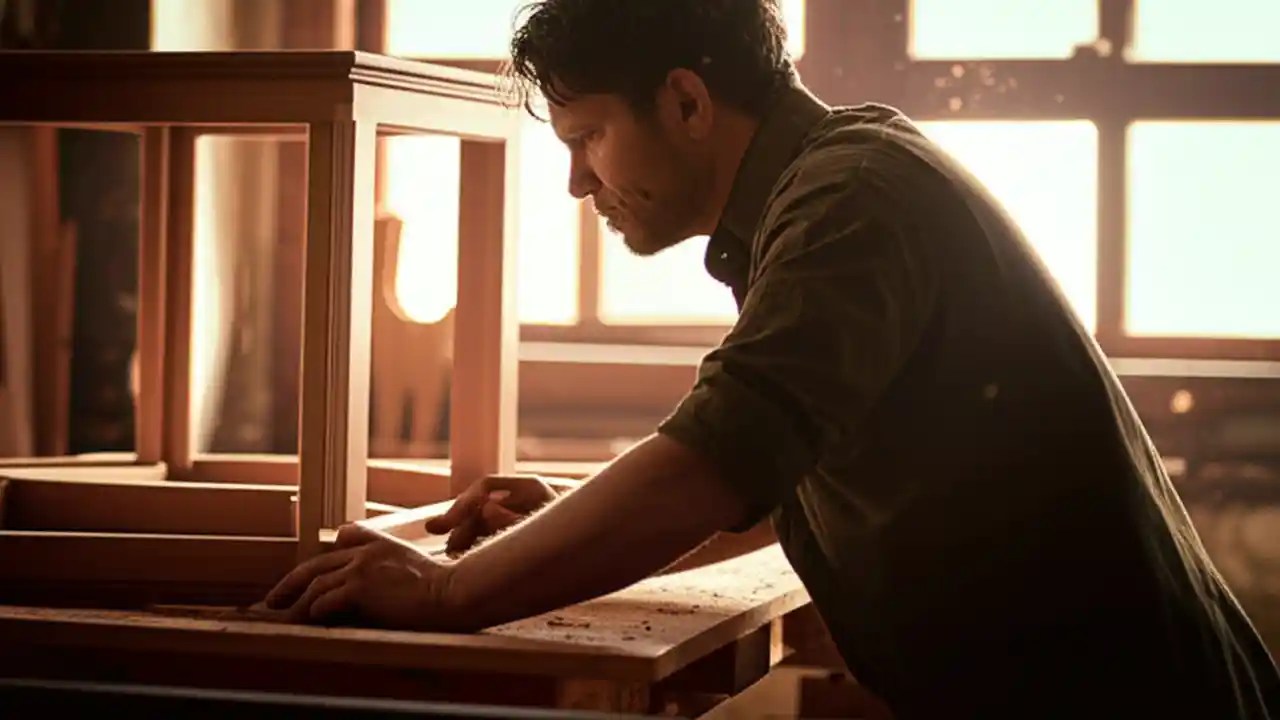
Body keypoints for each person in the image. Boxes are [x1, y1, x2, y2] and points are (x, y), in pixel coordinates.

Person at [265, 1, 1280, 716]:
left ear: (686, 103)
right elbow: (766, 470)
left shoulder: (849, 199)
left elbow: (716, 457)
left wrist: (448, 593)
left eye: (588, 137)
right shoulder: (827, 188)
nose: (577, 182)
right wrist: (566, 515)